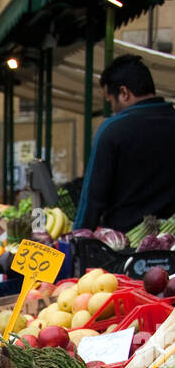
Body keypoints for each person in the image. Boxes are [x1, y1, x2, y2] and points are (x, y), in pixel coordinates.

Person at [75, 54, 175, 234]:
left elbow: (92, 199)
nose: (112, 109)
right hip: (171, 242)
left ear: (124, 93)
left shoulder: (112, 130)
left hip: (124, 248)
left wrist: (77, 238)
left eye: (111, 102)